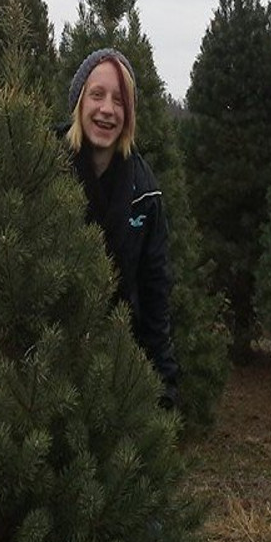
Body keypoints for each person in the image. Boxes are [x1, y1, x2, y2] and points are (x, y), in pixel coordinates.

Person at [65, 48, 180, 409]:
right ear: (79, 101)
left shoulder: (146, 192)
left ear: (128, 114)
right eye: (97, 95)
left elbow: (154, 292)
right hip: (48, 370)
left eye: (119, 100)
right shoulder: (44, 167)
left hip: (115, 371)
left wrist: (163, 384)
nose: (107, 109)